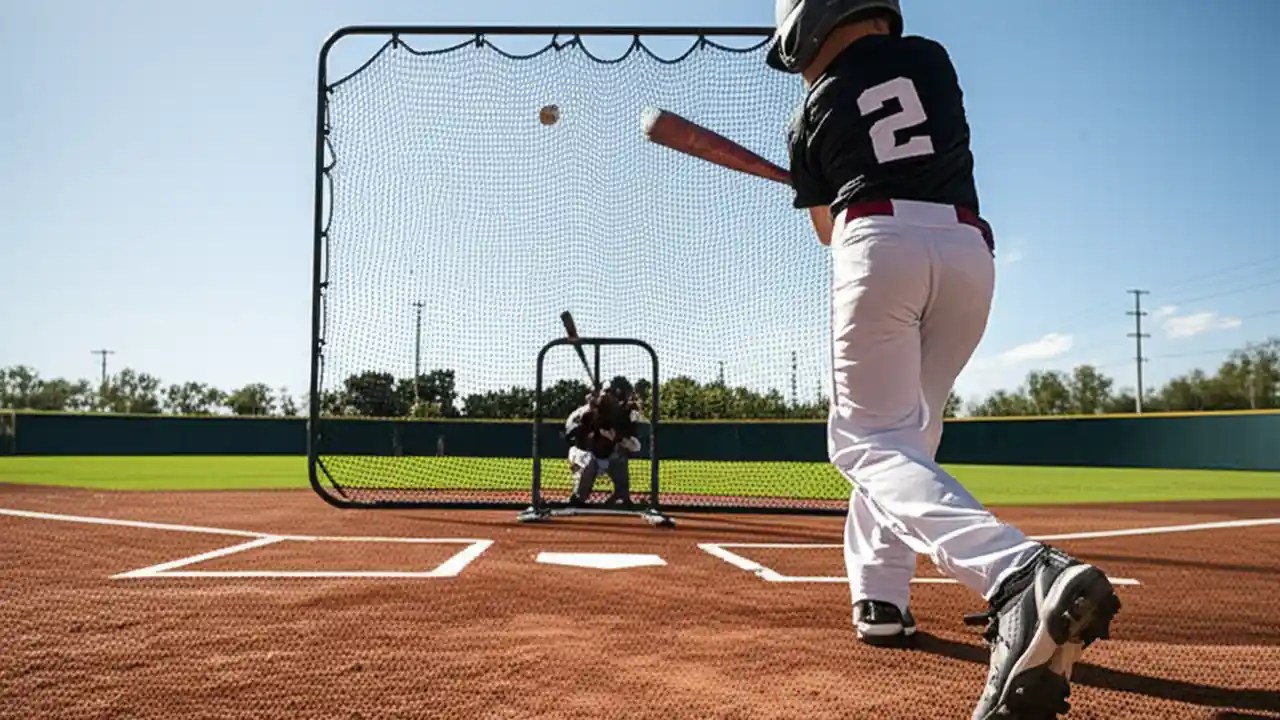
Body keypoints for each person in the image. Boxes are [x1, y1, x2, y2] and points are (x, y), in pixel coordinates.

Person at [765, 2, 1121, 717]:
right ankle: (882, 596)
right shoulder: (931, 59)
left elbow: (827, 234)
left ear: (808, 22)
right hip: (967, 254)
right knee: (909, 439)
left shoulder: (810, 111)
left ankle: (1019, 572)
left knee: (869, 441)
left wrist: (815, 172)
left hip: (878, 248)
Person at [563, 378, 641, 508]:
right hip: (583, 454)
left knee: (620, 457)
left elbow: (636, 446)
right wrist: (589, 420)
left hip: (607, 456)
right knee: (588, 461)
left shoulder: (624, 416)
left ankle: (621, 495)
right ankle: (578, 496)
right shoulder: (586, 411)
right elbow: (569, 434)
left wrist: (618, 438)